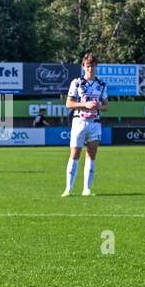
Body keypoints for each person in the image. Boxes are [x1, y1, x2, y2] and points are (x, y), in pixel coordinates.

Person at [63, 52, 107, 197]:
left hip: (95, 123)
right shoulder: (76, 83)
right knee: (74, 154)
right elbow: (69, 103)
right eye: (88, 66)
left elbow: (106, 105)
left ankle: (86, 189)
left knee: (91, 155)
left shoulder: (101, 84)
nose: (90, 68)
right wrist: (85, 104)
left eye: (93, 66)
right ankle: (68, 189)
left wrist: (97, 106)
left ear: (96, 67)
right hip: (79, 122)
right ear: (83, 67)